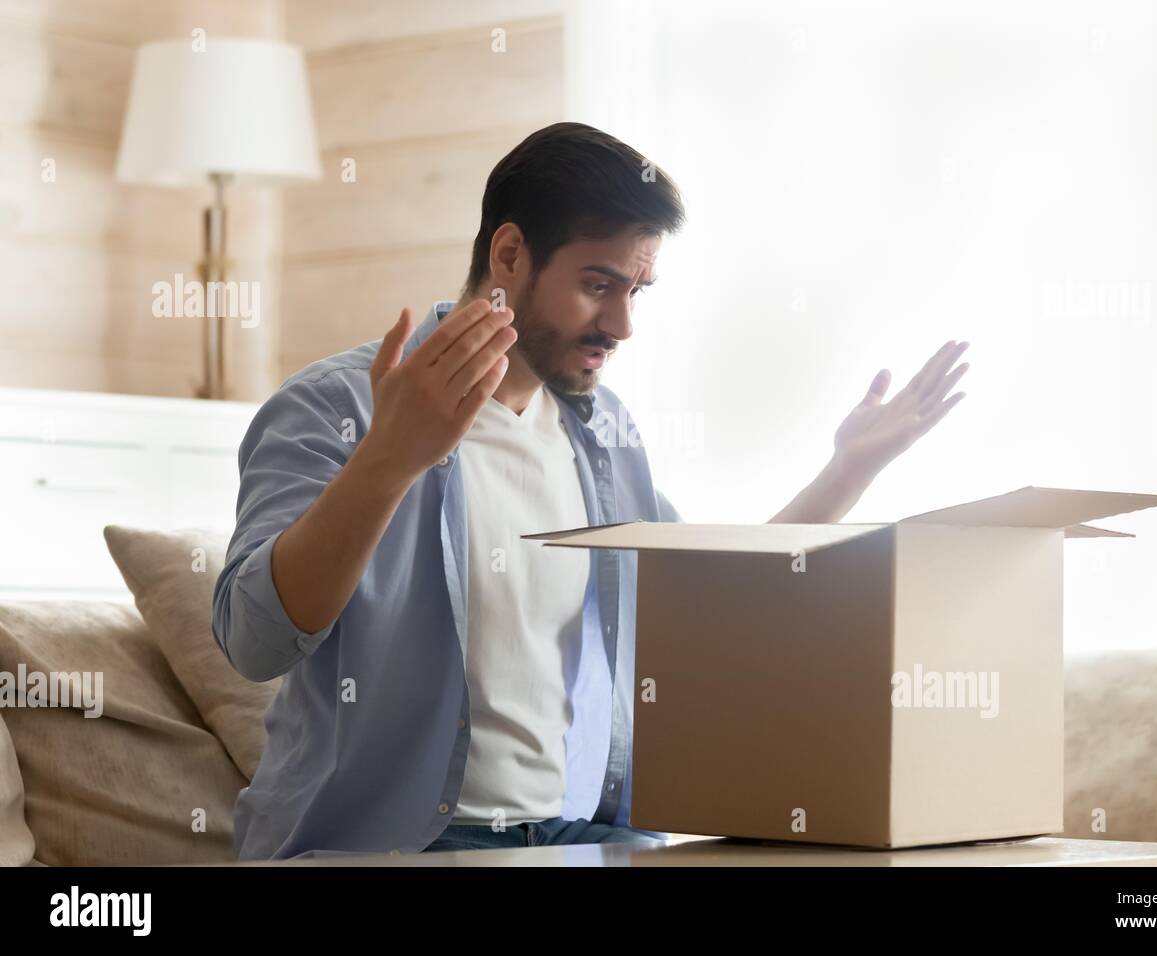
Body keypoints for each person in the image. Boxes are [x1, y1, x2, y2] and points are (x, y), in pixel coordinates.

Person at [211, 122, 970, 860]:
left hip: (587, 839)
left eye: (638, 289)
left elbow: (711, 602)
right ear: (510, 254)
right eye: (599, 284)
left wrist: (849, 468)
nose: (624, 323)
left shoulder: (602, 430)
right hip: (389, 846)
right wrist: (387, 462)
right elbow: (255, 639)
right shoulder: (337, 406)